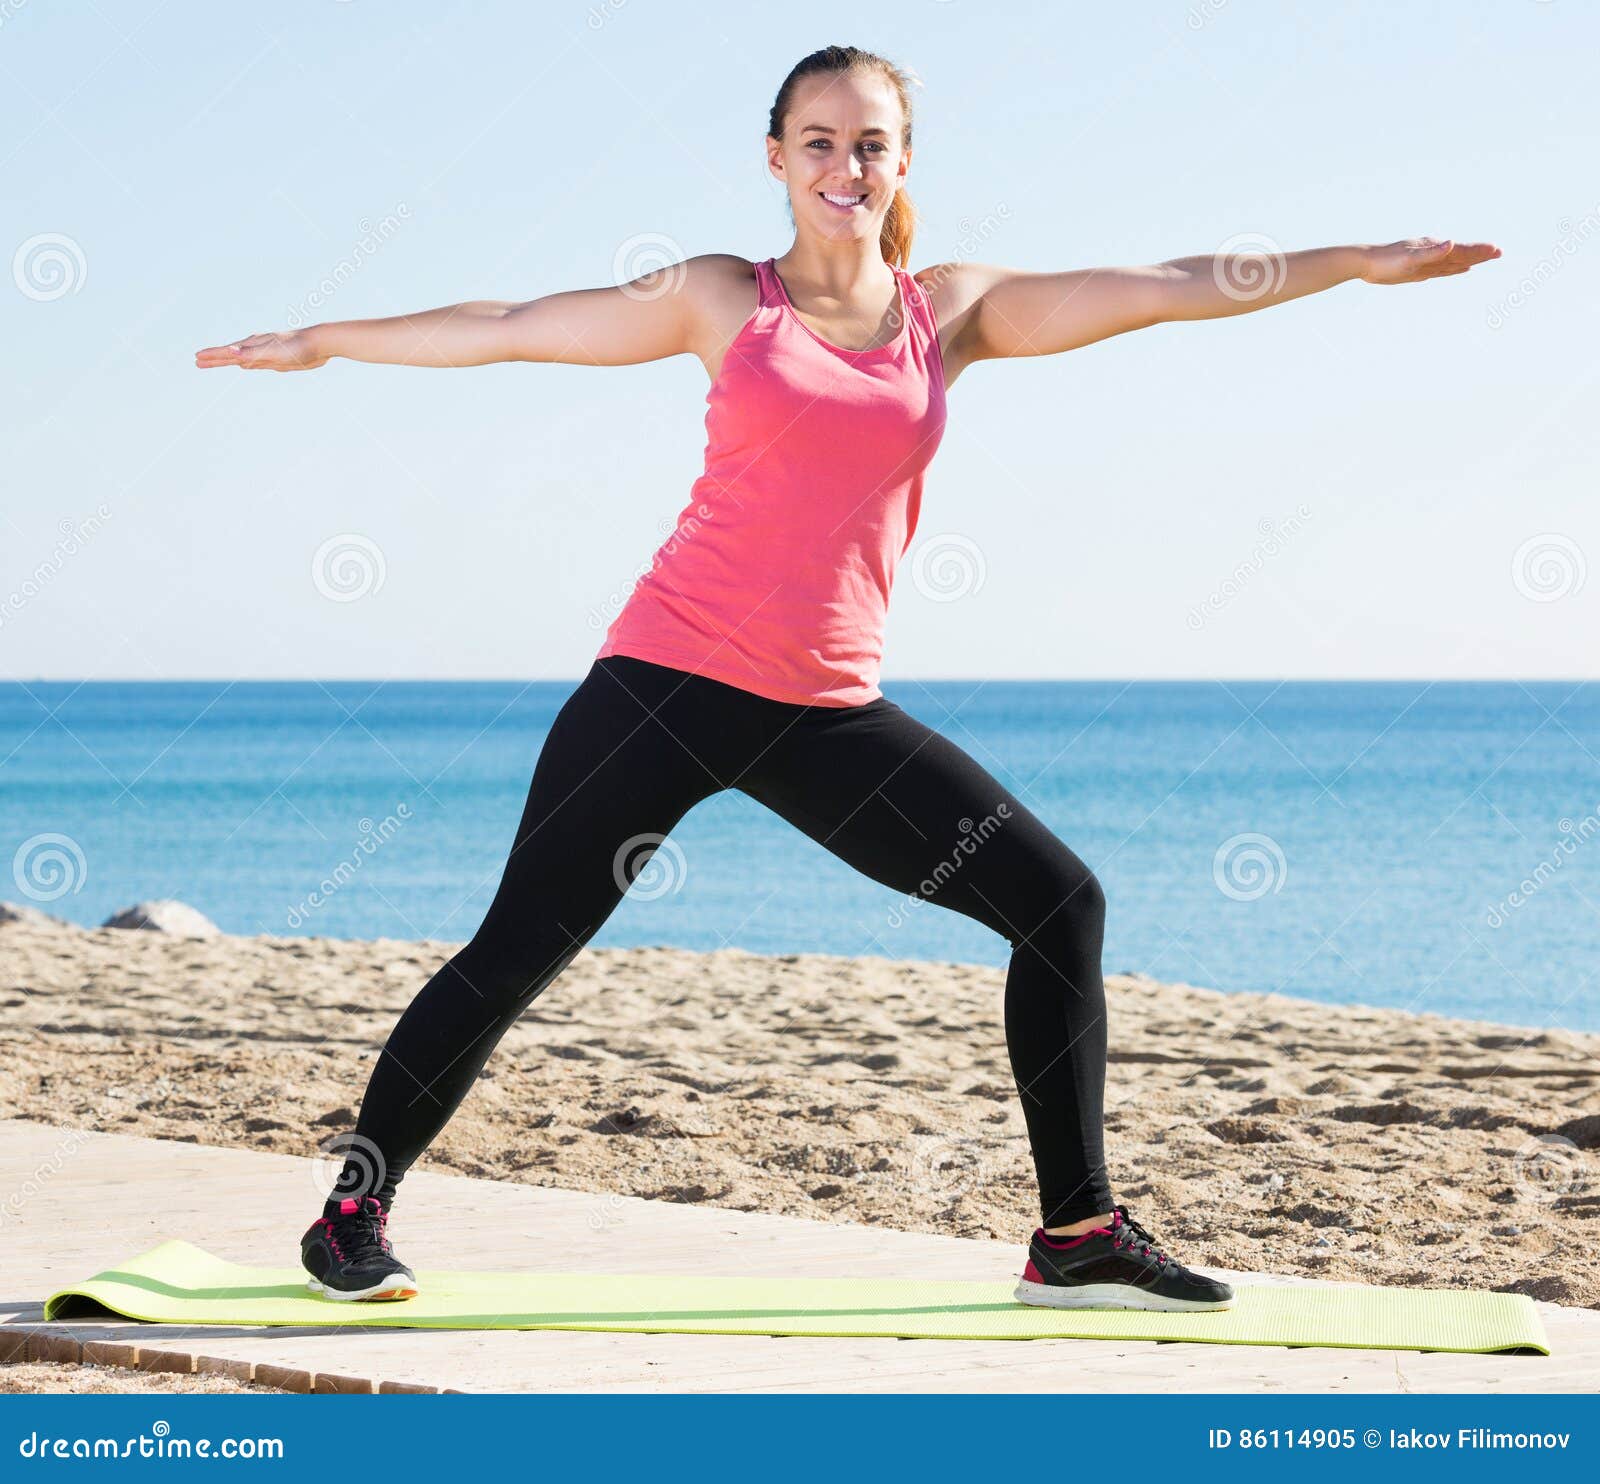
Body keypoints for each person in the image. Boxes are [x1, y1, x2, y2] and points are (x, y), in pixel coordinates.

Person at [196, 44, 1499, 1312]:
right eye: (818, 140)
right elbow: (511, 326)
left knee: (1060, 904)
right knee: (519, 950)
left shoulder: (956, 309)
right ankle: (352, 1214)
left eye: (870, 142)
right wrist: (321, 338)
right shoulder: (721, 294)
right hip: (662, 683)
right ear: (776, 157)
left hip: (824, 711)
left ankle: (1079, 1233)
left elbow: (1164, 282)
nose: (845, 163)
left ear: (902, 160)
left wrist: (1358, 265)